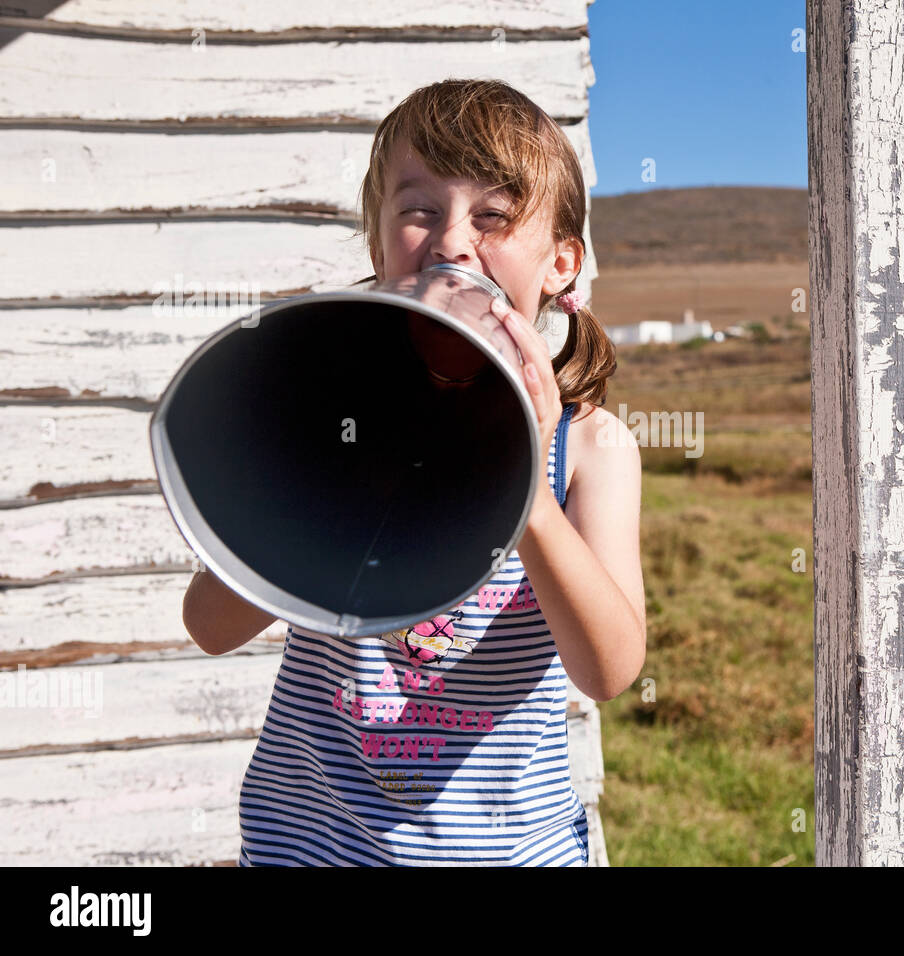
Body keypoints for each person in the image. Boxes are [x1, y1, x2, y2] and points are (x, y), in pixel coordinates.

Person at [181, 79, 647, 866]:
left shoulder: (592, 449)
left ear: (562, 263)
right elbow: (209, 625)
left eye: (493, 215)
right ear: (379, 245)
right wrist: (325, 471)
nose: (453, 243)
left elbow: (607, 670)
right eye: (418, 209)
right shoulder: (332, 417)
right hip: (313, 846)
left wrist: (530, 498)